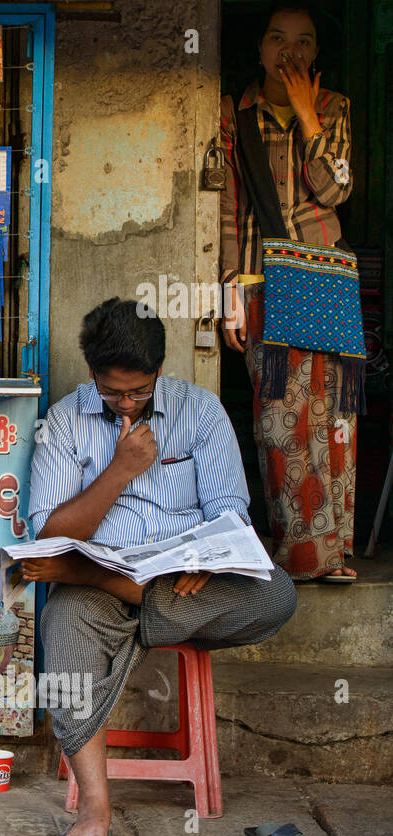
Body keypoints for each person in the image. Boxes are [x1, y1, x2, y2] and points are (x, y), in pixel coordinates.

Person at [25, 298, 298, 836]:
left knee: (276, 591)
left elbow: (230, 511)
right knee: (62, 627)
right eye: (112, 391)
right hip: (96, 582)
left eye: (139, 392)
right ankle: (95, 805)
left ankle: (124, 588)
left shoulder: (201, 411)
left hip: (182, 583)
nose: (126, 404)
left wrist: (206, 556)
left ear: (158, 369)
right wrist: (121, 468)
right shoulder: (63, 421)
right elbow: (50, 529)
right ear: (92, 372)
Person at [219, 2, 357, 582]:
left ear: (316, 53)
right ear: (259, 48)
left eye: (303, 42)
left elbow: (333, 191)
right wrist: (229, 288)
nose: (289, 53)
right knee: (281, 420)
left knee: (333, 421)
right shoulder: (234, 113)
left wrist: (307, 117)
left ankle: (336, 552)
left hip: (326, 278)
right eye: (278, 39)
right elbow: (227, 207)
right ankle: (301, 553)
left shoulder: (334, 109)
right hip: (264, 283)